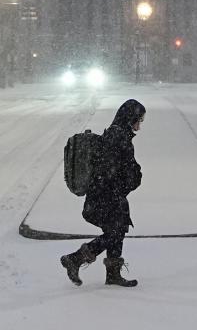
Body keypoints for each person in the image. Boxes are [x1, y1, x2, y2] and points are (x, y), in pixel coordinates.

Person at [61, 99, 145, 288]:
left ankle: (112, 274)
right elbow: (117, 170)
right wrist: (133, 177)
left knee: (116, 232)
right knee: (115, 233)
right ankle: (75, 259)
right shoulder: (120, 137)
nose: (139, 126)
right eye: (139, 120)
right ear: (130, 118)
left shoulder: (115, 134)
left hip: (105, 195)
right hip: (108, 196)